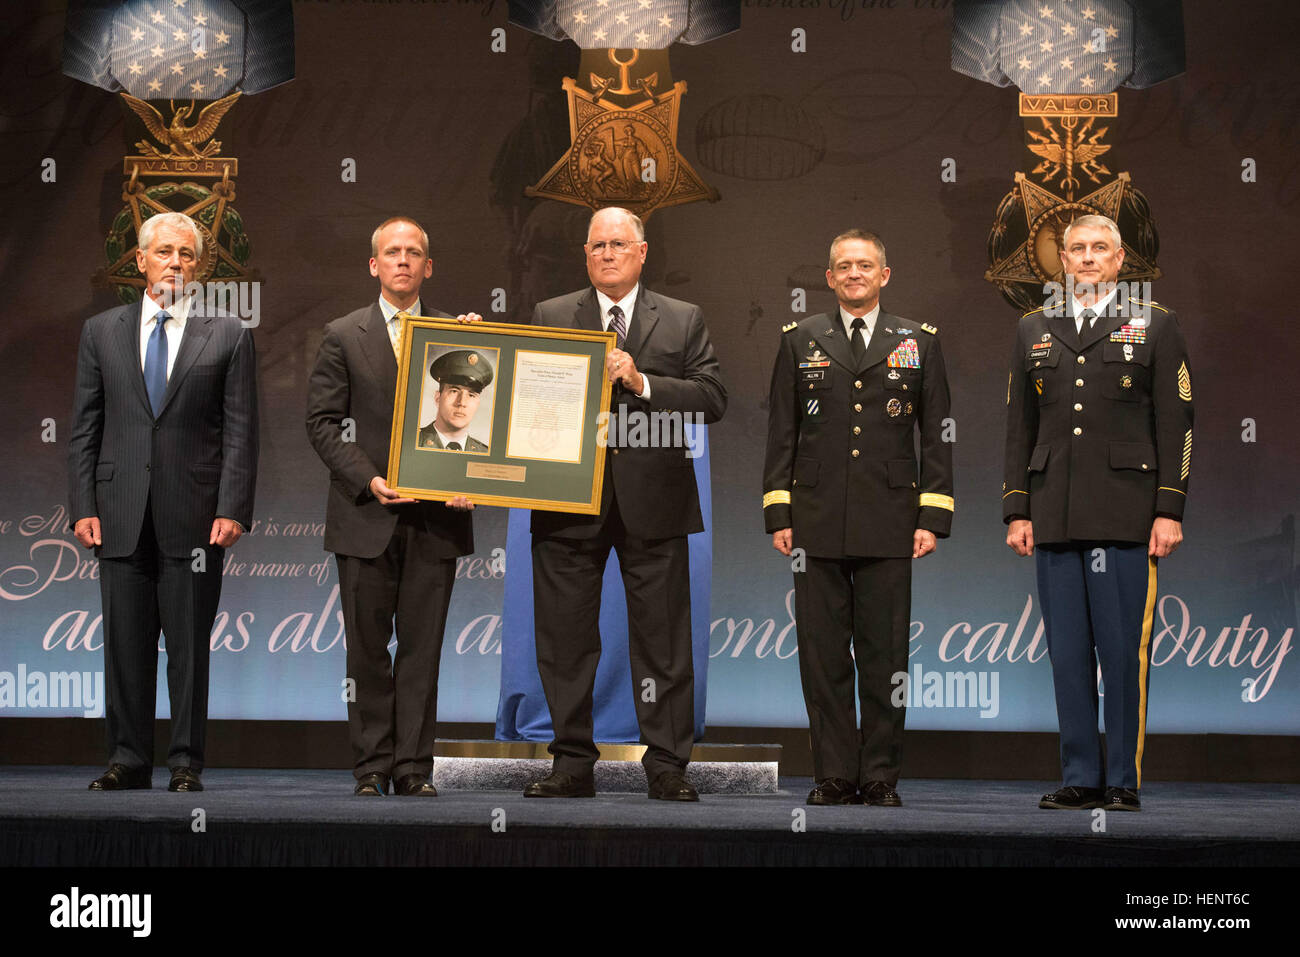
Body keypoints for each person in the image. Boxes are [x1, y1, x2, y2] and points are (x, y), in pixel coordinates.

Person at [523, 206, 726, 801]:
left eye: (619, 243)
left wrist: (641, 383)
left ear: (643, 252)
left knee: (663, 642)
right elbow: (524, 395)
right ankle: (570, 765)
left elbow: (712, 399)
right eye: (597, 246)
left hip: (656, 505)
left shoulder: (684, 319)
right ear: (585, 256)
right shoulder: (552, 314)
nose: (608, 253)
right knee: (565, 641)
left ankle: (666, 766)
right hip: (566, 501)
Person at [1003, 213, 1193, 813]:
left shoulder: (1157, 325)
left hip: (1125, 514)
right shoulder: (1032, 326)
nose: (1087, 258)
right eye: (1077, 249)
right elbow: (1019, 428)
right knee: (1066, 654)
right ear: (1062, 259)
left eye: (1100, 249)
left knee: (1120, 652)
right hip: (1053, 511)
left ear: (1119, 261)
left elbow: (1177, 423)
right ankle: (1080, 774)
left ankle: (1121, 780)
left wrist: (1169, 509)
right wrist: (1017, 509)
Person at [69, 211, 259, 792]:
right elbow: (85, 426)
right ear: (141, 261)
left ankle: (184, 763)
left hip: (196, 516)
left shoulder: (227, 333)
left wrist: (232, 507)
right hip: (119, 513)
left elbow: (241, 431)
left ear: (197, 266)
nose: (175, 262)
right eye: (165, 252)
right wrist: (82, 505)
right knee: (125, 648)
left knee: (188, 651)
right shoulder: (101, 330)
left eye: (186, 254)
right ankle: (127, 760)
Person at [762, 229, 953, 807]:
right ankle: (834, 774)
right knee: (822, 657)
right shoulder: (800, 339)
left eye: (864, 265)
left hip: (891, 518)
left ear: (884, 275)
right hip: (815, 519)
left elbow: (938, 435)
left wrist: (932, 514)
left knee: (885, 656)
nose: (853, 274)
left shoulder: (917, 340)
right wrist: (779, 512)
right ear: (828, 277)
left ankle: (879, 776)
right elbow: (782, 432)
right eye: (843, 266)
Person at [305, 216, 479, 797]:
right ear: (374, 265)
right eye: (391, 252)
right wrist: (369, 479)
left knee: (423, 652)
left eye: (414, 253)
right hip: (366, 516)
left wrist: (471, 474)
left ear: (428, 266)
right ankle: (372, 768)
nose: (403, 261)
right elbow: (323, 424)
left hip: (437, 519)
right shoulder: (341, 333)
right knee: (367, 651)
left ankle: (413, 770)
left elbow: (487, 422)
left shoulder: (462, 336)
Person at [416, 350, 493, 452]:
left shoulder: (484, 453)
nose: (462, 402)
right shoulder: (413, 442)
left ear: (477, 404)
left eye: (471, 395)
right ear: (438, 398)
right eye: (454, 391)